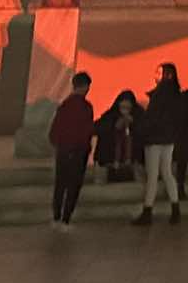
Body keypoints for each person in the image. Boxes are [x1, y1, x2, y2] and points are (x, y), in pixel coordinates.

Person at [132, 62, 188, 225]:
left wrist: (141, 130)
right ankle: (175, 208)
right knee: (167, 173)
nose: (155, 76)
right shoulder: (177, 95)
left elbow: (151, 118)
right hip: (168, 139)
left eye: (159, 73)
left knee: (152, 175)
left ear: (167, 75)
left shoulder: (159, 95)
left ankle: (148, 210)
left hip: (154, 139)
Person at [47, 71, 94, 228]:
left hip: (63, 150)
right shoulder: (86, 107)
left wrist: (58, 144)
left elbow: (55, 130)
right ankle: (66, 218)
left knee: (60, 184)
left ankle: (56, 216)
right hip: (78, 152)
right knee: (73, 186)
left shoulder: (64, 106)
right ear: (85, 87)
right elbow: (87, 130)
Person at [93, 90, 139, 183]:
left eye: (127, 106)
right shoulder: (109, 116)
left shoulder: (139, 115)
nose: (125, 109)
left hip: (132, 161)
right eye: (123, 106)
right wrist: (114, 125)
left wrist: (133, 124)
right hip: (109, 159)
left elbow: (144, 129)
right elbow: (97, 128)